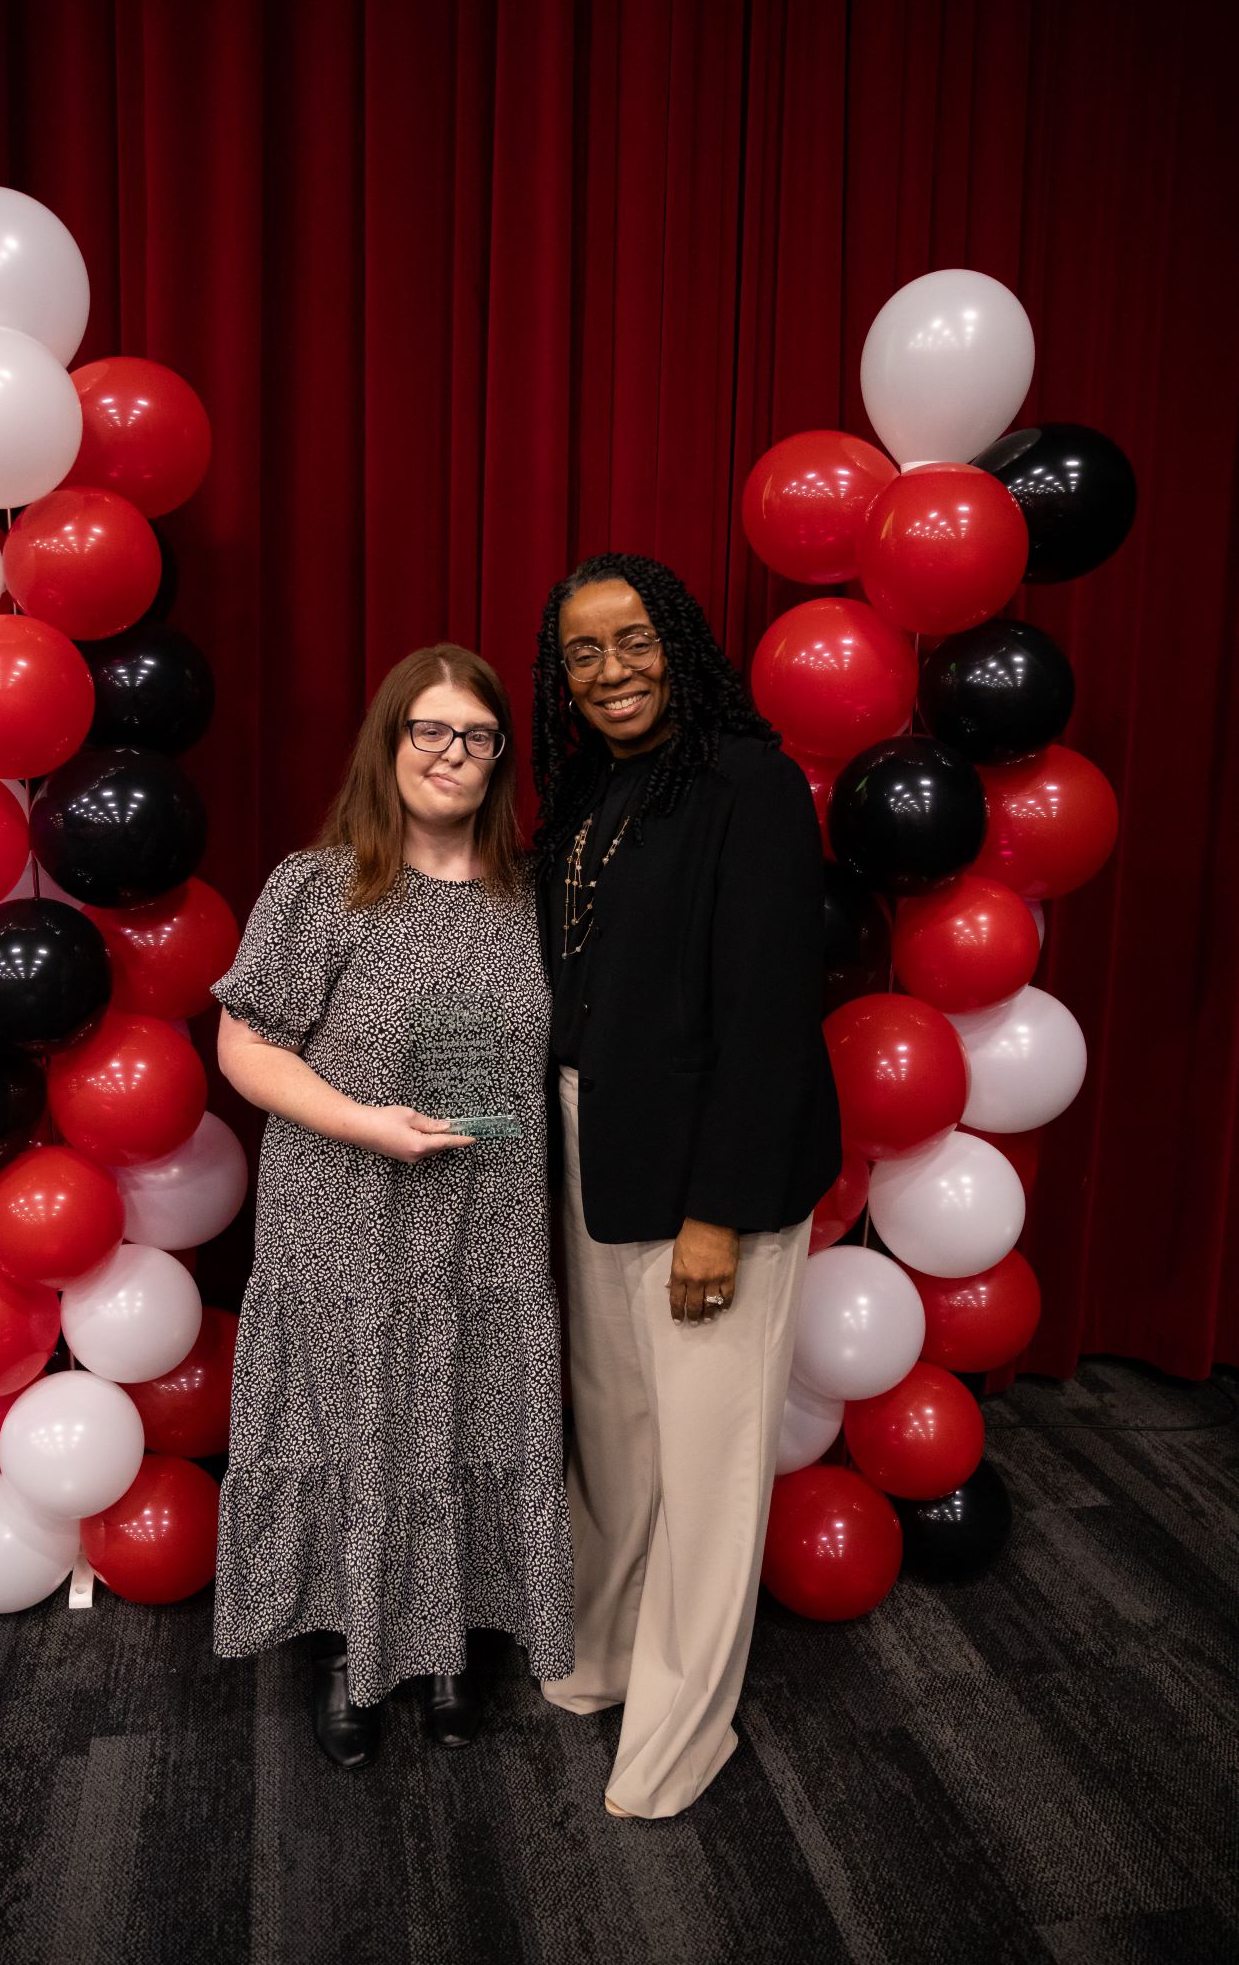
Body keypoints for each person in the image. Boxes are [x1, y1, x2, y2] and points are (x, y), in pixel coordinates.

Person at [211, 643, 572, 1770]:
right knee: (356, 1421)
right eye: (430, 730)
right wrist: (363, 1120)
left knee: (470, 1411)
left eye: (474, 735)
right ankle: (353, 1653)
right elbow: (243, 1044)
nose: (451, 754)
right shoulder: (318, 885)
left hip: (491, 1212)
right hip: (344, 1202)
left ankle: (454, 1640)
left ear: (499, 755)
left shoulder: (537, 892)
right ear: (391, 743)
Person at [532, 551, 841, 1819]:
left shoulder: (747, 786)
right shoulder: (591, 793)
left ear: (682, 643)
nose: (611, 672)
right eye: (584, 653)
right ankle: (603, 1654)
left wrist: (715, 1214)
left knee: (708, 1458)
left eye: (634, 641)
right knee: (614, 1434)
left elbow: (769, 1019)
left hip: (713, 1170)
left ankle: (680, 1726)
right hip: (597, 1146)